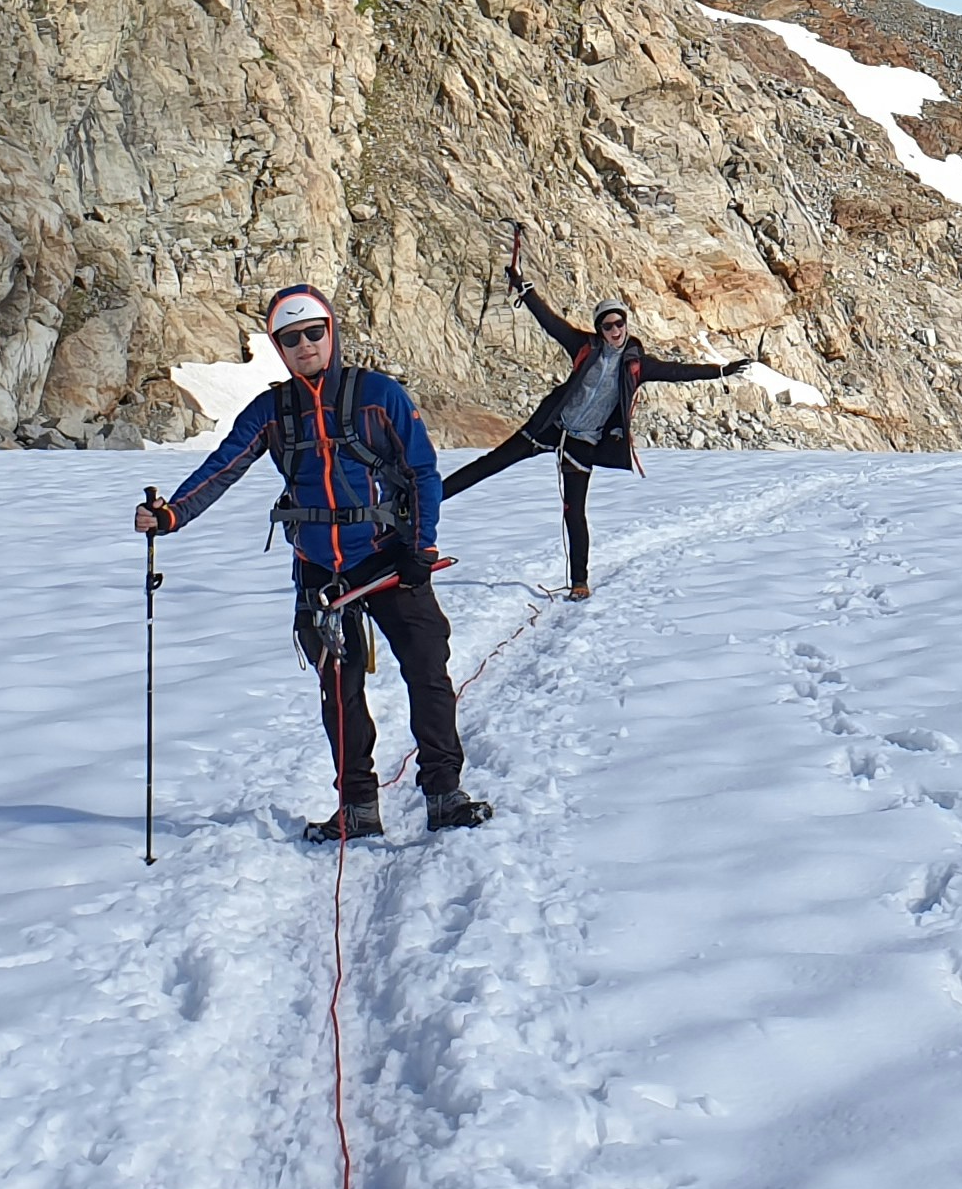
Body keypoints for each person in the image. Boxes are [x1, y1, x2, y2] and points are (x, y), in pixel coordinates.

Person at [137, 283, 484, 843]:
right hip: (320, 572)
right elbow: (223, 466)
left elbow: (422, 470)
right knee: (338, 691)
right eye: (289, 338)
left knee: (426, 670)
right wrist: (171, 514)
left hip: (389, 558)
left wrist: (422, 547)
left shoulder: (379, 395)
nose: (304, 345)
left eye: (313, 332)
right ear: (278, 346)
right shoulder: (271, 412)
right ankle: (358, 808)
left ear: (332, 332)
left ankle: (444, 794)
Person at [440, 252, 751, 597]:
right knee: (492, 463)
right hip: (551, 426)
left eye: (619, 324)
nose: (615, 330)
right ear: (599, 329)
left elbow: (679, 372)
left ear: (626, 326)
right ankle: (431, 499)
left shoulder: (637, 365)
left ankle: (579, 582)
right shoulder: (584, 347)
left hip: (582, 442)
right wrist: (524, 289)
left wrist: (719, 371)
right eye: (608, 325)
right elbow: (551, 322)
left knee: (575, 511)